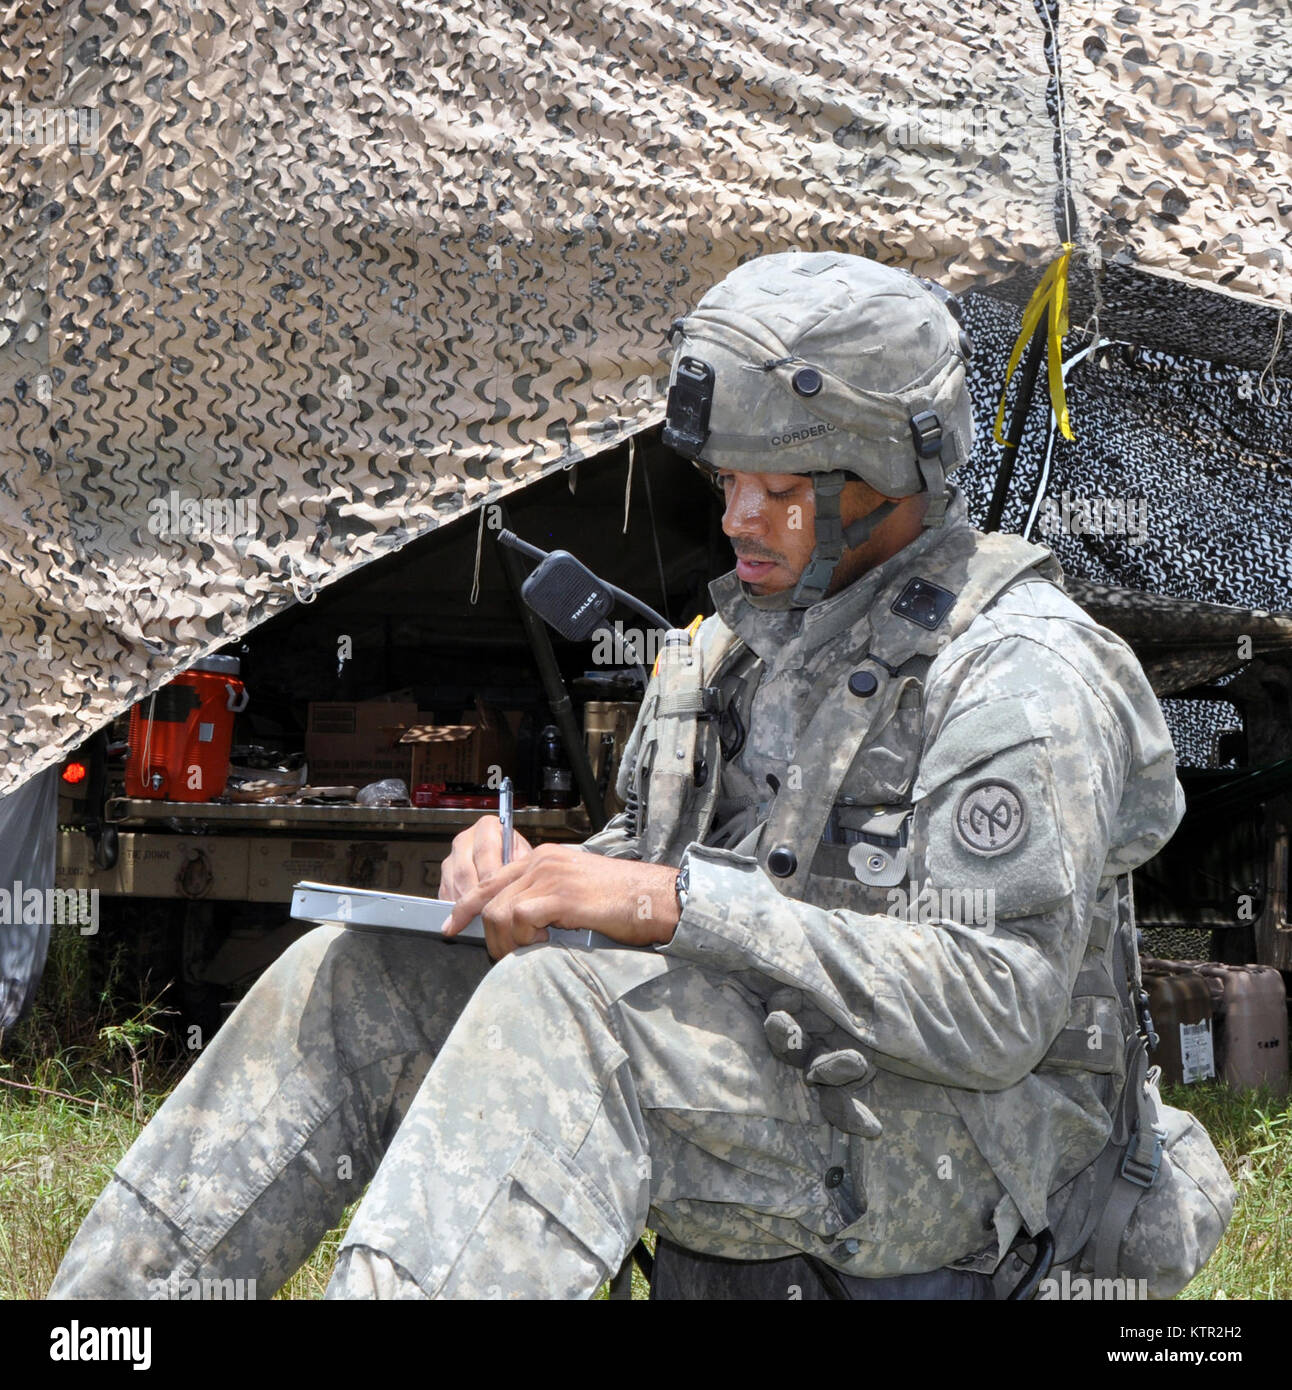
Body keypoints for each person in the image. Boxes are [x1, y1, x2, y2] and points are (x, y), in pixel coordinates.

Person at [49, 251, 1183, 1301]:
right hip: (772, 1076)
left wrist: (661, 904)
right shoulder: (740, 643)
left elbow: (996, 1006)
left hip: (945, 1151)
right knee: (365, 971)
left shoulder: (1019, 673)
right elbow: (663, 865)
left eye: (777, 486)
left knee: (565, 1013)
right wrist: (541, 877)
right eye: (725, 479)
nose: (736, 516)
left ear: (886, 472)